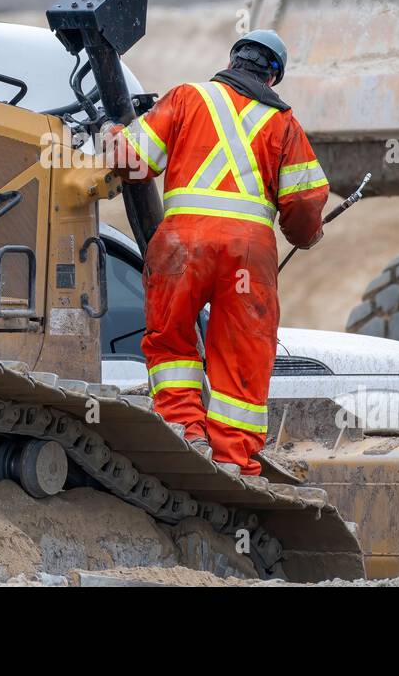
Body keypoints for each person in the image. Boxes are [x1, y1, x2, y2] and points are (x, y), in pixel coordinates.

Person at [105, 30, 328, 475]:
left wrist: (112, 134)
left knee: (171, 339)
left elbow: (132, 162)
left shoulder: (188, 97)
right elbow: (304, 205)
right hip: (248, 257)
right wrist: (305, 235)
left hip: (180, 247)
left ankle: (185, 432)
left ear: (233, 60)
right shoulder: (284, 123)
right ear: (273, 76)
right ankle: (233, 464)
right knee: (242, 354)